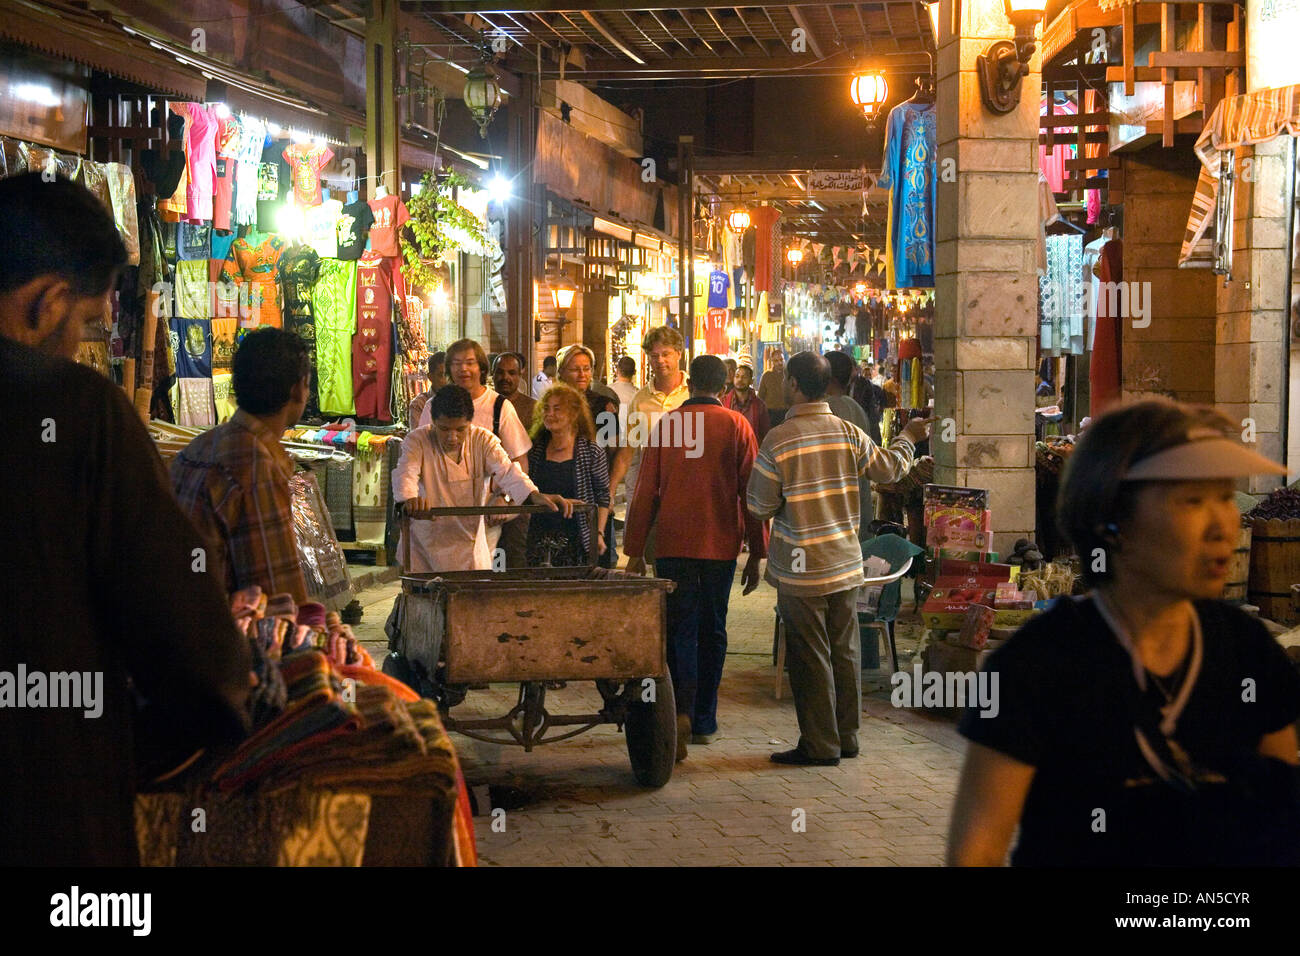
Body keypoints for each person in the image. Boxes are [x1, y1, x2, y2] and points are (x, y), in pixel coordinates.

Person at [0, 173, 250, 865]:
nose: (79, 344)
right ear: (48, 304)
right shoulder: (79, 412)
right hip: (45, 813)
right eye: (83, 325)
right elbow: (193, 647)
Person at [949, 401, 1300, 866]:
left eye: (1224, 495)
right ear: (1113, 520)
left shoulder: (1247, 651)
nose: (1223, 524)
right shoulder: (1036, 667)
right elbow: (978, 850)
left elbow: (1283, 813)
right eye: (1192, 501)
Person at [748, 351, 931, 766]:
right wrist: (908, 438)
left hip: (802, 569)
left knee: (811, 656)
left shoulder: (779, 439)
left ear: (794, 384)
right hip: (846, 564)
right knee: (844, 651)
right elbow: (890, 470)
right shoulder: (847, 432)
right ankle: (847, 737)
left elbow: (759, 504)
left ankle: (819, 744)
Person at [625, 356, 766, 761]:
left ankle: (679, 712)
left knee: (679, 629)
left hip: (672, 544)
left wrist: (634, 550)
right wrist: (758, 552)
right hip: (720, 545)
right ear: (723, 387)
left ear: (690, 383)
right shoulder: (737, 426)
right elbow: (751, 495)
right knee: (713, 629)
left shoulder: (667, 426)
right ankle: (704, 719)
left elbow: (645, 493)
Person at [172, 327, 313, 604]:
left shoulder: (198, 447)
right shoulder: (256, 467)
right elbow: (278, 601)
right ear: (297, 389)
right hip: (219, 635)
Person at [394, 385, 559, 572]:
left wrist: (533, 494)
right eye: (444, 429)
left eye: (460, 429)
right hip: (425, 549)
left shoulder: (483, 440)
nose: (452, 438)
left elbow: (507, 471)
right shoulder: (417, 441)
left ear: (470, 422)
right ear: (432, 422)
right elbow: (405, 473)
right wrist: (409, 500)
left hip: (470, 549)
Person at [418, 338, 533, 564]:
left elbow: (519, 461)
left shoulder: (500, 407)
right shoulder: (434, 406)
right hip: (442, 514)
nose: (463, 369)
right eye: (457, 363)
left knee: (477, 570)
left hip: (485, 514)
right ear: (449, 368)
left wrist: (505, 497)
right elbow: (420, 454)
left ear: (481, 367)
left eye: (470, 362)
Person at [625, 325, 691, 568]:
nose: (660, 360)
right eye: (654, 356)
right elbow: (632, 453)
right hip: (655, 495)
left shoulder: (694, 394)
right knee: (661, 564)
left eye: (666, 354)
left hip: (690, 493)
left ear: (678, 354)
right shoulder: (640, 400)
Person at [526, 383, 610, 568]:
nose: (550, 414)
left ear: (573, 414)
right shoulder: (534, 449)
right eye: (546, 409)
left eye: (557, 409)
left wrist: (598, 533)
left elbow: (603, 497)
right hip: (539, 535)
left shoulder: (591, 451)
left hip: (578, 535)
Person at [557, 343, 624, 567]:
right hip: (561, 488)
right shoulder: (552, 405)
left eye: (586, 368)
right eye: (575, 368)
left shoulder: (604, 406)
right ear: (561, 372)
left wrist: (610, 489)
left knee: (599, 558)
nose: (582, 374)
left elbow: (613, 450)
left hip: (595, 488)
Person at [722, 361, 771, 445]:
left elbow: (765, 433)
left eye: (744, 377)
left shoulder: (759, 405)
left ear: (751, 381)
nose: (740, 379)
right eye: (737, 376)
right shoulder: (724, 402)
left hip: (752, 451)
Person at [493, 351, 536, 427]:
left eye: (511, 373)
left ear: (520, 376)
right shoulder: (484, 405)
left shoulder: (533, 408)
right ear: (493, 375)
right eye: (500, 372)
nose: (505, 377)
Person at [407, 350, 446, 425]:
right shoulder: (419, 404)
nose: (447, 380)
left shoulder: (459, 400)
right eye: (441, 375)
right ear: (430, 377)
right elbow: (418, 435)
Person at [756, 347, 789, 425]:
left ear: (784, 359)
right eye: (776, 360)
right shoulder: (767, 375)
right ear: (772, 362)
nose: (780, 363)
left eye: (781, 359)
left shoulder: (789, 374)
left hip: (786, 412)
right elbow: (760, 396)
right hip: (770, 413)